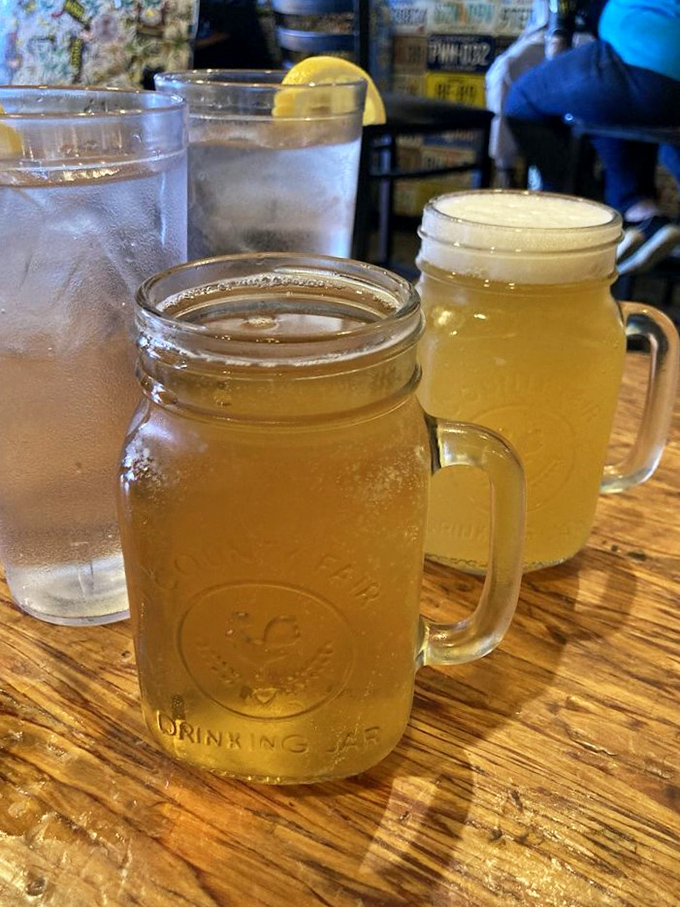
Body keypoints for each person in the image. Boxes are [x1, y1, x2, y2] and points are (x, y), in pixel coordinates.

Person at [504, 0, 680, 273]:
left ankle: (591, 220)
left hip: (645, 52)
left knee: (522, 101)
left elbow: (562, 19)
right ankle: (643, 217)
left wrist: (558, 43)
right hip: (658, 68)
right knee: (603, 107)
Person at [485, 0, 601, 188]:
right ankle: (504, 170)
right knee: (503, 73)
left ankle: (582, 180)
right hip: (543, 31)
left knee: (574, 76)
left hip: (591, 33)